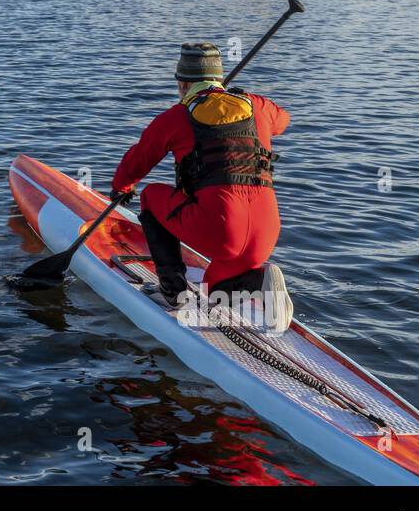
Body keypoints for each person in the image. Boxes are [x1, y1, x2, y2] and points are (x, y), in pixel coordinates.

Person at [110, 42, 293, 329]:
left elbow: (138, 160)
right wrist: (239, 99)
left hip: (220, 229)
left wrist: (121, 188)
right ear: (219, 80)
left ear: (182, 84)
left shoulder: (174, 118)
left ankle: (172, 293)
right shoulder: (256, 105)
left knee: (150, 195)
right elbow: (283, 119)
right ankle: (259, 279)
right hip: (266, 232)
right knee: (213, 289)